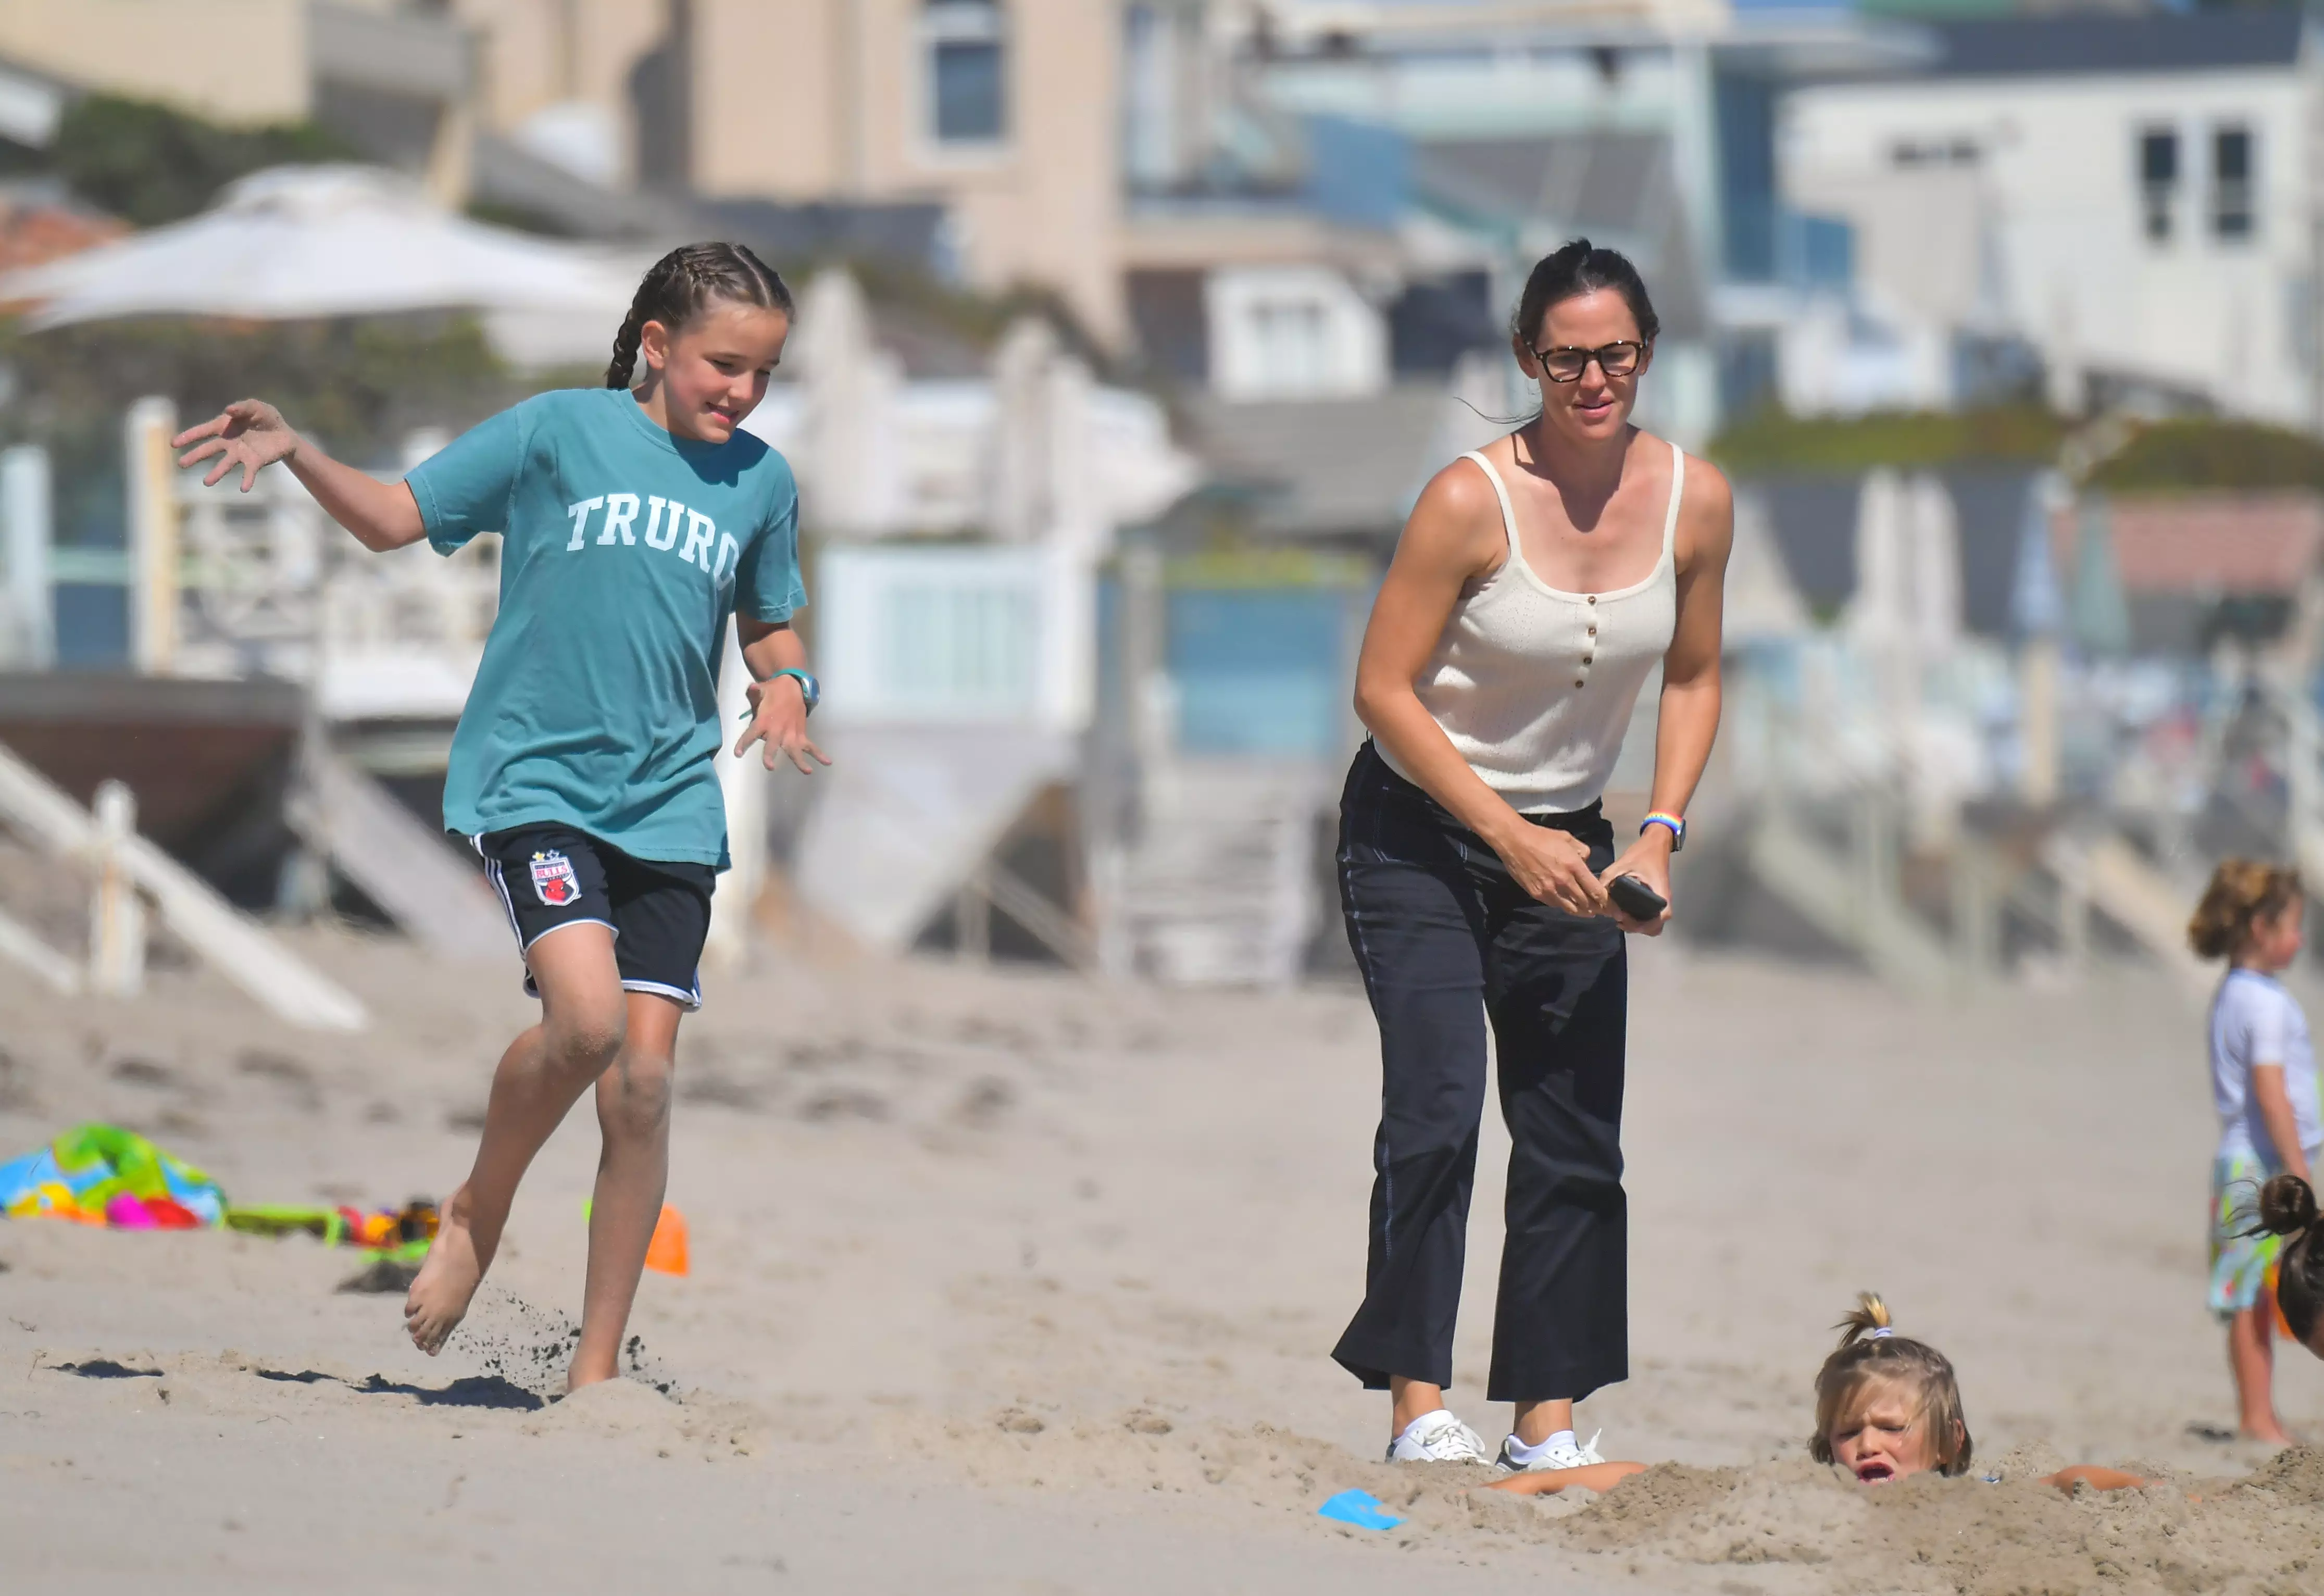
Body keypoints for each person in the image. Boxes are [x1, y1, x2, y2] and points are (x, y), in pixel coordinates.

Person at [172, 243, 827, 1390]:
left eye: (764, 374)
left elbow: (771, 624)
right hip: (538, 786)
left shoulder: (762, 484)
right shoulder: (554, 432)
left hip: (670, 800)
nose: (742, 392)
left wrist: (786, 684)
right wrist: (299, 454)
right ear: (660, 346)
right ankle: (478, 1208)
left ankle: (593, 1370)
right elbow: (391, 518)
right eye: (725, 365)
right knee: (583, 1027)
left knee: (644, 1081)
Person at [1335, 238, 1732, 1470]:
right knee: (1438, 1109)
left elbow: (1697, 673)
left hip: (1573, 844)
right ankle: (1416, 1402)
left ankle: (1546, 1417)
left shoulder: (1696, 499)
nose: (1593, 378)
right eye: (1566, 357)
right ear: (1527, 359)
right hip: (1420, 833)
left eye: (1615, 353)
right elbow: (1381, 688)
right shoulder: (1468, 497)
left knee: (1572, 1131)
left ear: (1647, 353)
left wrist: (1658, 833)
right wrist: (1505, 836)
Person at [2187, 860, 2317, 1443]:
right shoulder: (2261, 1002)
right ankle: (2256, 1416)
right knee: (2249, 1294)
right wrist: (2297, 1166)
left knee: (2256, 1292)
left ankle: (2259, 1411)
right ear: (2260, 928)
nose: (2300, 938)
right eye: (2293, 925)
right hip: (2257, 1166)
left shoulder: (2235, 993)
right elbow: (2270, 1090)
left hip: (2247, 1162)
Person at [1813, 1294, 2151, 1493]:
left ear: (1950, 1442)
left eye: (1891, 1428)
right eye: (1849, 1432)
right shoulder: (1813, 1501)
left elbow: (2065, 1481)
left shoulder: (1971, 1496)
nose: (1868, 1445)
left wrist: (2147, 1490)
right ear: (1828, 1444)